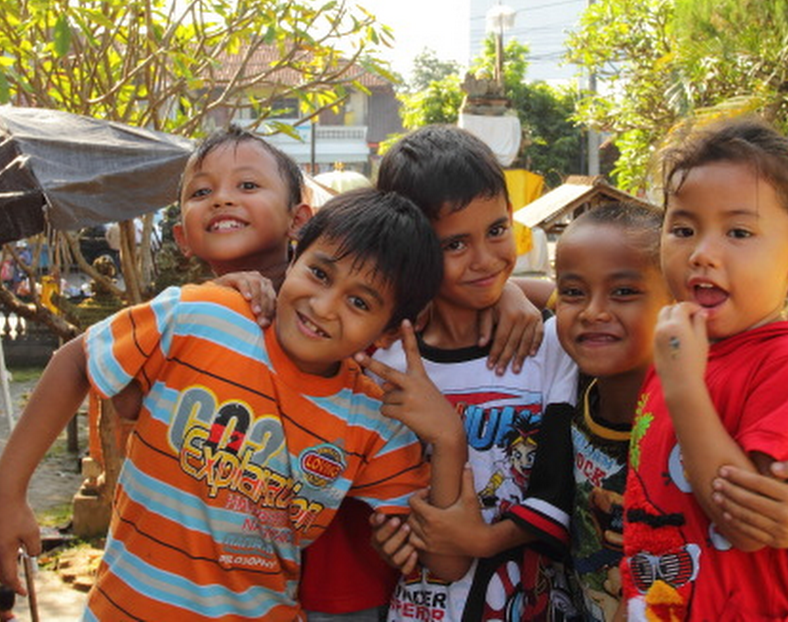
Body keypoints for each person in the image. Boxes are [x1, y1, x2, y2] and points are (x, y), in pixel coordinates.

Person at [0, 187, 470, 620]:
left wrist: (448, 438)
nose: (324, 306)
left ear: (389, 332)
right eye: (319, 274)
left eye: (360, 303)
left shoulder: (373, 419)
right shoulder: (203, 316)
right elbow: (75, 362)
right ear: (294, 257)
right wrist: (8, 494)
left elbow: (445, 563)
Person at [364, 125, 578, 621]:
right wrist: (388, 537)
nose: (486, 260)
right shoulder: (387, 366)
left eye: (498, 230)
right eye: (455, 244)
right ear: (412, 247)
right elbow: (391, 517)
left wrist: (518, 292)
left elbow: (559, 487)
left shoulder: (549, 345)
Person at [621, 117, 788, 619]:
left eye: (739, 231)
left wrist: (683, 388)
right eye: (683, 229)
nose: (702, 253)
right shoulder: (682, 345)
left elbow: (746, 523)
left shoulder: (786, 363)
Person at [553, 202, 671, 621]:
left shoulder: (690, 422)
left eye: (623, 292)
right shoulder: (572, 380)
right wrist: (510, 292)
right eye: (574, 292)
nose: (593, 311)